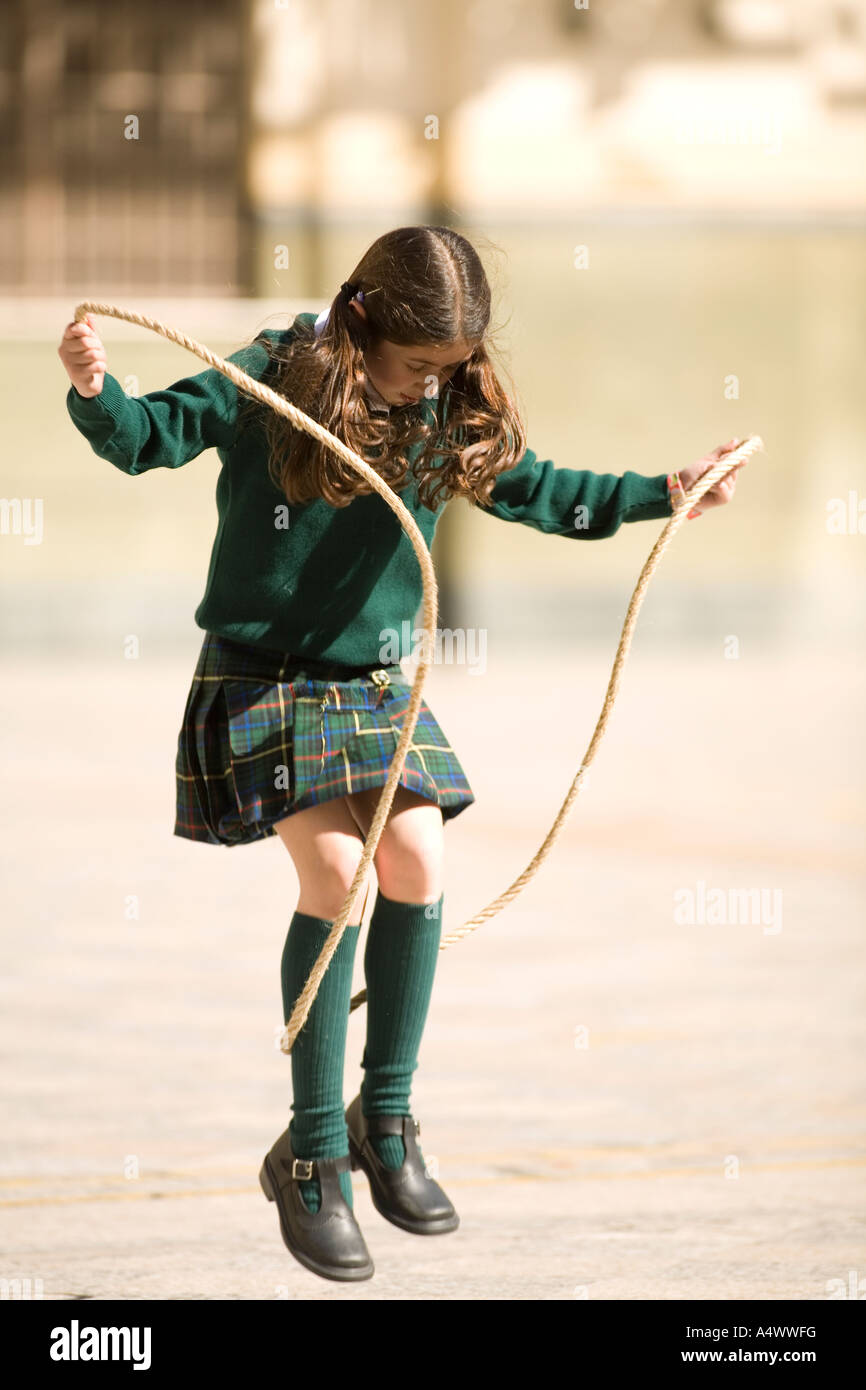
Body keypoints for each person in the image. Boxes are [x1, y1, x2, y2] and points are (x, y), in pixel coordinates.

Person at [58, 224, 745, 1284]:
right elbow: (145, 436)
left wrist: (666, 488)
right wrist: (98, 391)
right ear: (365, 318)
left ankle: (385, 1119)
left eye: (455, 366)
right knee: (334, 876)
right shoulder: (275, 372)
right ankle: (312, 1160)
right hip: (264, 676)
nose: (437, 387)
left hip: (375, 682)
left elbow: (538, 489)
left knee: (417, 857)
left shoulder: (443, 410)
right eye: (422, 364)